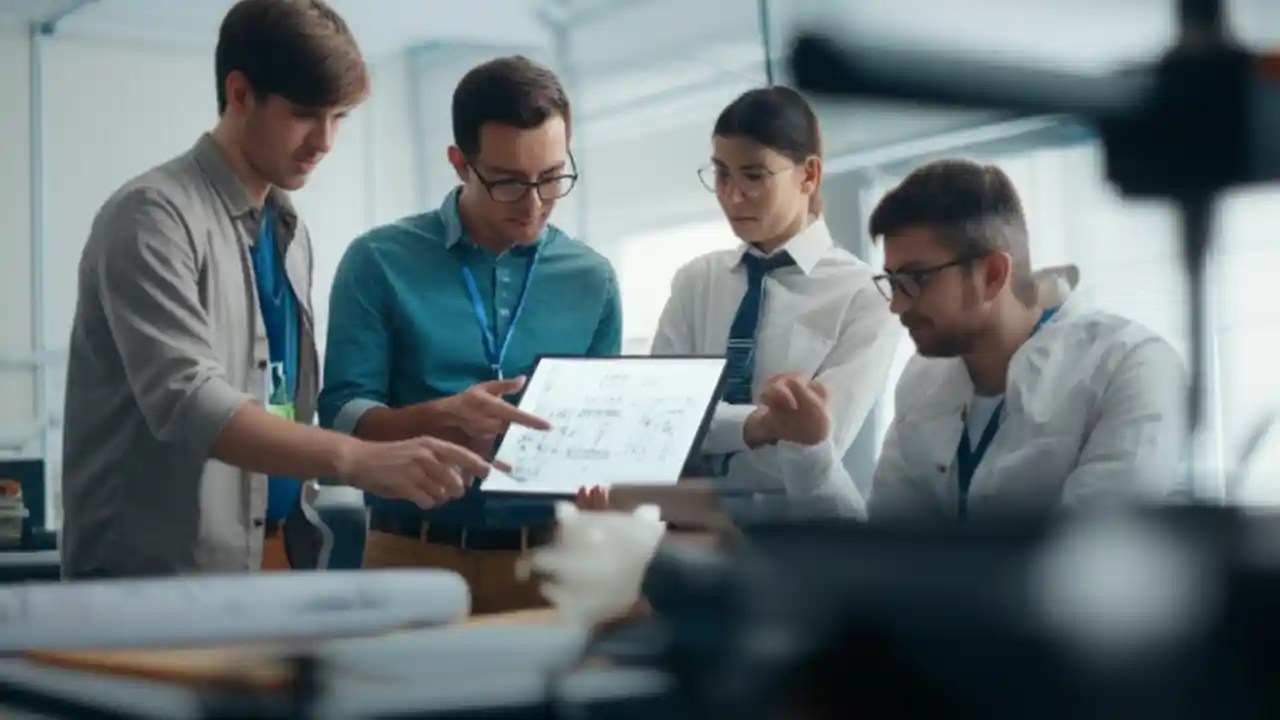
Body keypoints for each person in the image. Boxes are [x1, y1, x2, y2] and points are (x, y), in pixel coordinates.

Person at [60, 0, 492, 579]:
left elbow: (284, 399)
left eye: (340, 117)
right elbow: (190, 400)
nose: (325, 140)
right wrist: (358, 459)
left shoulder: (289, 232)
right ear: (240, 93)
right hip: (161, 582)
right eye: (306, 114)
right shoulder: (152, 217)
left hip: (279, 554)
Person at [318, 56, 621, 614]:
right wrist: (444, 416)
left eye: (552, 177)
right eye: (507, 182)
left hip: (551, 561)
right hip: (409, 554)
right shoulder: (378, 260)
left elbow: (600, 430)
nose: (533, 204)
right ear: (460, 163)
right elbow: (339, 415)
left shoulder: (593, 278)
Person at [866, 159, 1189, 521]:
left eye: (916, 278)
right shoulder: (921, 379)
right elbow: (887, 539)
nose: (896, 305)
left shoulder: (1130, 366)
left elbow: (1083, 553)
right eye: (892, 282)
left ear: (992, 274)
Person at [642, 86, 899, 517]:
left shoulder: (865, 294)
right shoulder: (696, 281)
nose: (732, 194)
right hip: (685, 528)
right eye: (721, 174)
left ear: (809, 175)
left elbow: (811, 446)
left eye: (754, 175)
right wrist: (759, 425)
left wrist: (710, 426)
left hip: (798, 537)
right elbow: (660, 422)